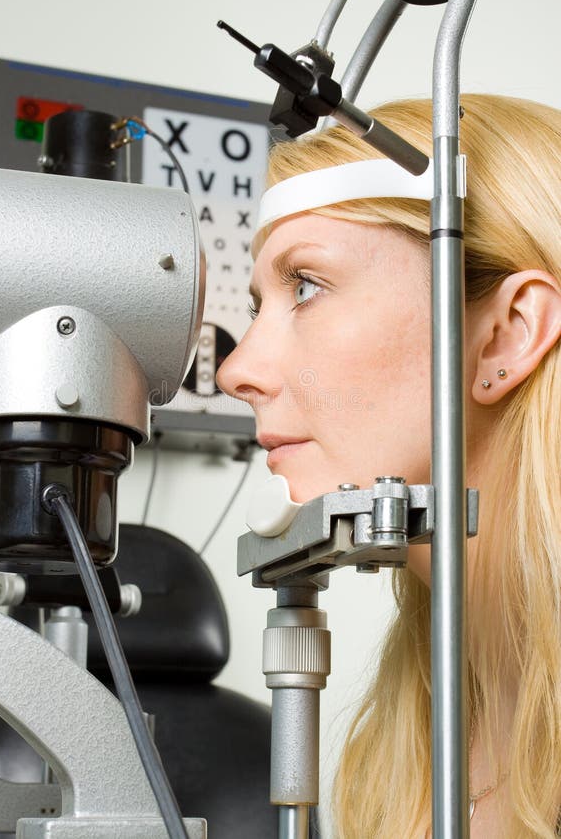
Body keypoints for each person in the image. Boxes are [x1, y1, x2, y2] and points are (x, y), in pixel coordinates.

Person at [216, 94, 561, 838]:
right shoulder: (401, 748)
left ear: (506, 336)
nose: (236, 370)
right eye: (259, 303)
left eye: (305, 286)